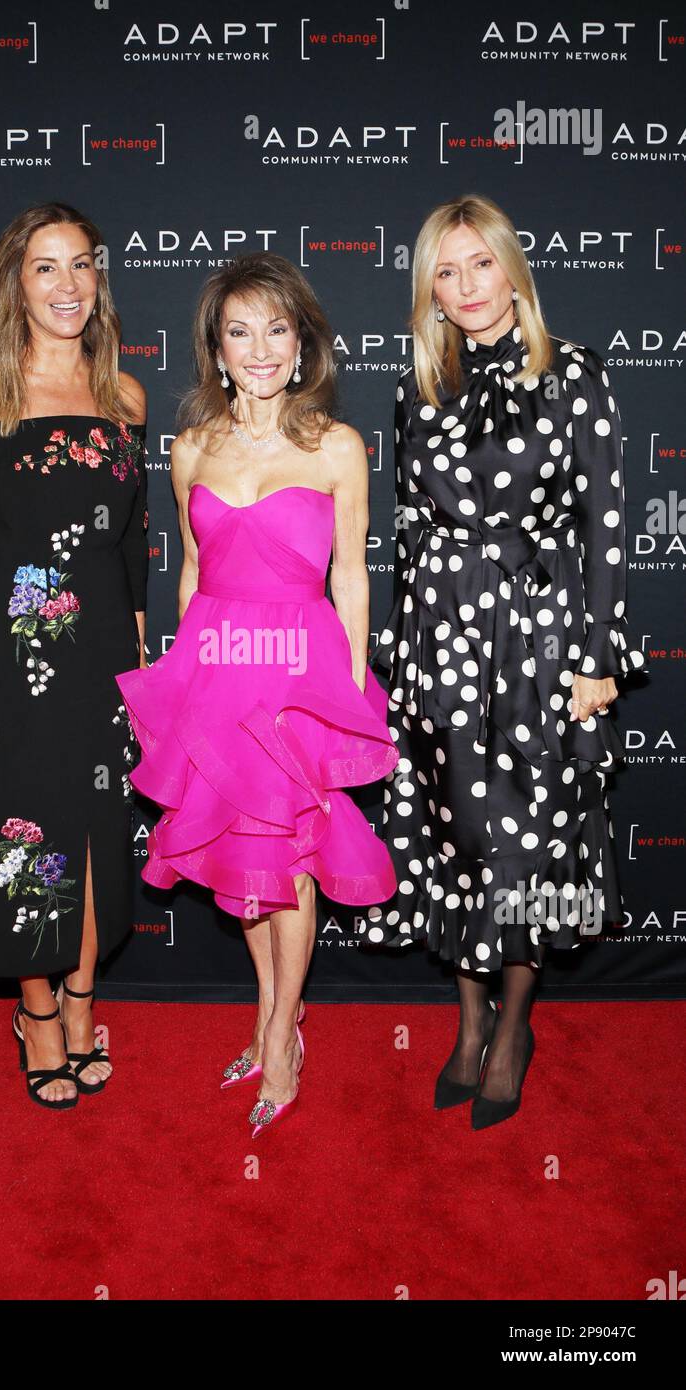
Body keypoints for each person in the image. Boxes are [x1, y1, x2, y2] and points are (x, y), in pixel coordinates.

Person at [361, 193, 645, 1129]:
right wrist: (401, 653)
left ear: (512, 269)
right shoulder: (418, 388)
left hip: (541, 644)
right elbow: (405, 534)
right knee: (460, 838)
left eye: (480, 263)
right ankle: (469, 1015)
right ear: (429, 294)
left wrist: (600, 658)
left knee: (530, 843)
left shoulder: (576, 375)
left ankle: (514, 1028)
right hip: (442, 644)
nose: (466, 285)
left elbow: (608, 529)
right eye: (445, 271)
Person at [115, 252, 399, 1137]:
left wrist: (346, 688)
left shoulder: (337, 446)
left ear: (302, 339)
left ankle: (282, 1033)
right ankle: (273, 1007)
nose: (261, 347)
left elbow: (352, 575)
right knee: (243, 862)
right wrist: (182, 673)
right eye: (241, 330)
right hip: (217, 662)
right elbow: (192, 572)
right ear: (217, 346)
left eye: (277, 327)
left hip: (297, 670)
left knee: (292, 855)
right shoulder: (191, 444)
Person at [0, 201, 149, 1110]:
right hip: (19, 654)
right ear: (14, 286)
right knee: (28, 839)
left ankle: (82, 1004)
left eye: (81, 265)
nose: (67, 285)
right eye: (45, 268)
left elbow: (139, 544)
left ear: (100, 278)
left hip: (103, 649)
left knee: (98, 841)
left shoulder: (125, 396)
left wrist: (141, 648)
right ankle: (35, 1015)